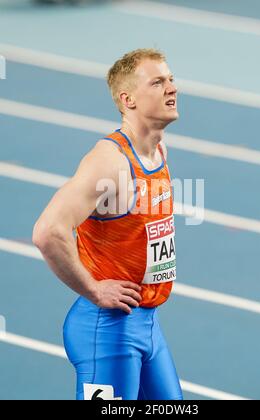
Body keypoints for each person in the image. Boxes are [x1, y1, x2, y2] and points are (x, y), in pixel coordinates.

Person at [32, 48, 183, 400]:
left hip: (146, 323)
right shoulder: (110, 163)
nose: (172, 88)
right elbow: (47, 231)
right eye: (158, 82)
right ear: (127, 99)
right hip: (107, 330)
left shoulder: (158, 151)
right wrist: (94, 289)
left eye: (171, 79)